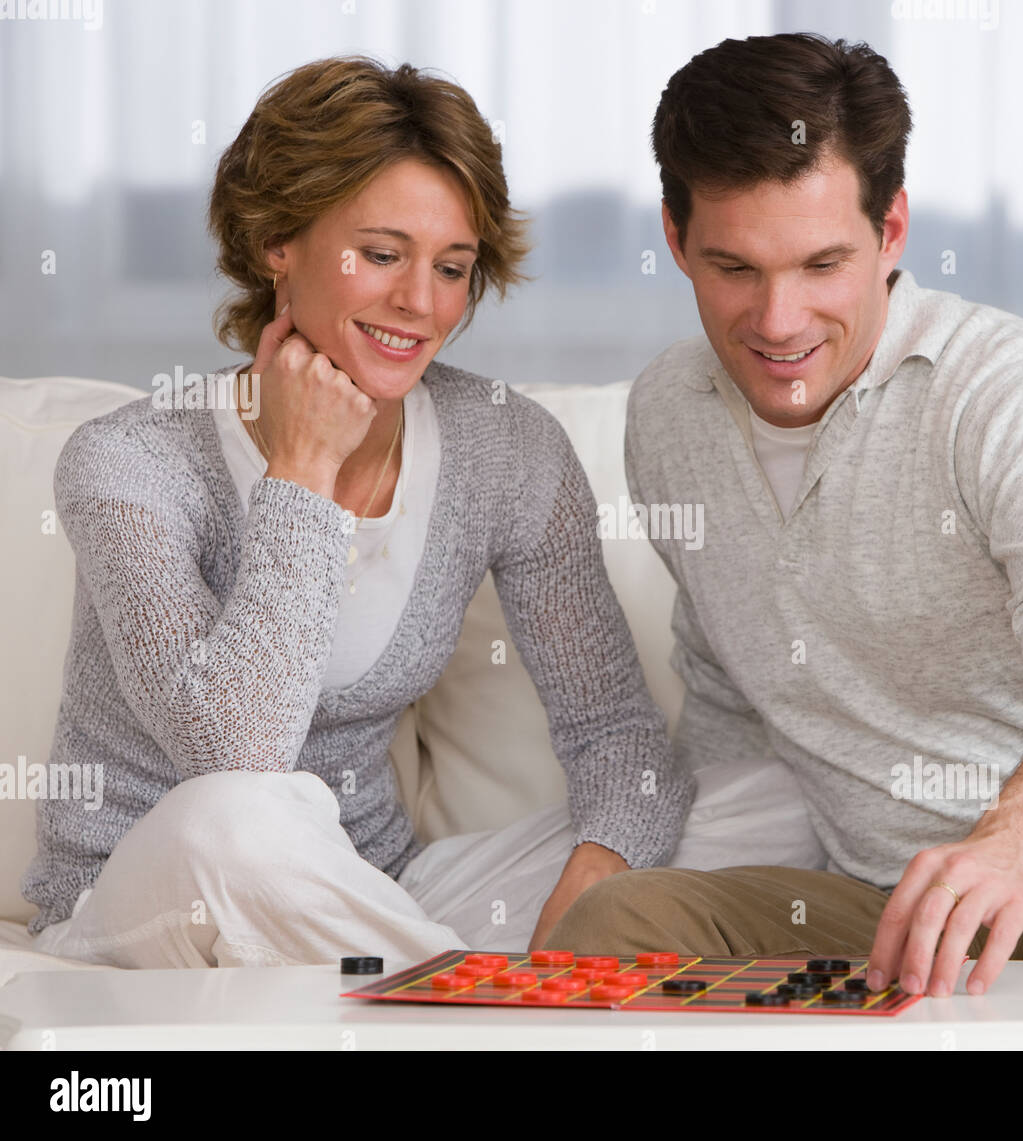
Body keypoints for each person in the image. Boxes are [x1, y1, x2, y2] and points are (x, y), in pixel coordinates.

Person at [541, 32, 1023, 994]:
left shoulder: (1011, 388)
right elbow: (729, 686)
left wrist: (1017, 838)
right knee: (618, 923)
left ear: (892, 229)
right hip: (901, 906)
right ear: (675, 238)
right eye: (735, 268)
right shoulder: (667, 415)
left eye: (822, 264)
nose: (778, 322)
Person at [22, 55, 698, 967]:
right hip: (153, 902)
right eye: (381, 255)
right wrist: (303, 469)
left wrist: (599, 874)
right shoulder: (126, 463)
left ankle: (445, 983)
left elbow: (614, 730)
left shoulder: (507, 447)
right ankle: (481, 1003)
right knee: (234, 819)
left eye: (452, 268)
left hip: (371, 893)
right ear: (278, 242)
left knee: (745, 798)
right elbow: (236, 752)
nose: (420, 304)